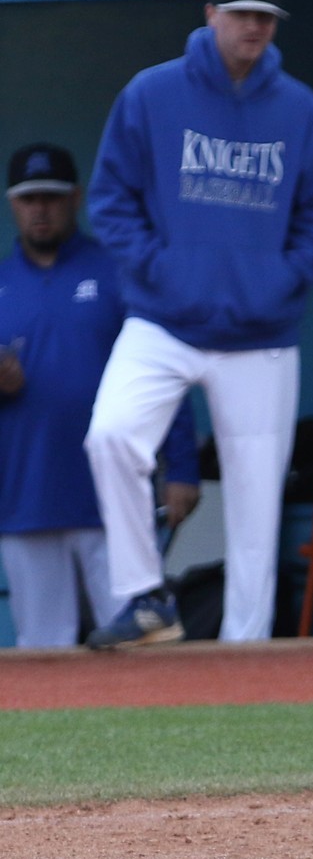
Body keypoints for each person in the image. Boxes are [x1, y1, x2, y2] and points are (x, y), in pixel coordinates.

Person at [82, 0, 313, 647]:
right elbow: (110, 202)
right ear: (210, 15)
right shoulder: (151, 94)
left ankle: (246, 652)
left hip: (260, 331)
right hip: (164, 319)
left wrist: (281, 279)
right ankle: (145, 597)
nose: (253, 27)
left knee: (258, 503)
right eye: (240, 14)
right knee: (111, 435)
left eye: (264, 17)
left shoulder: (301, 109)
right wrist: (162, 271)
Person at [0, 142, 200, 649]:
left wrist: (181, 468)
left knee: (134, 642)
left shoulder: (116, 271)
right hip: (24, 496)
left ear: (75, 197)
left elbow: (165, 371)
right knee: (42, 646)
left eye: (50, 196)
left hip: (113, 498)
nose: (39, 208)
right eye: (28, 199)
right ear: (12, 203)